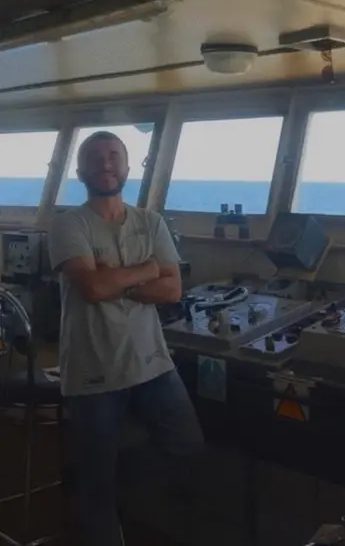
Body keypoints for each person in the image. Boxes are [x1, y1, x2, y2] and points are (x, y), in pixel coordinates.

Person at [48, 130, 204, 546]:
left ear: (128, 166)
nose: (106, 163)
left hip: (151, 363)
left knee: (185, 446)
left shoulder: (151, 222)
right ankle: (96, 497)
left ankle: (97, 485)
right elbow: (92, 288)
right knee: (98, 487)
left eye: (113, 155)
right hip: (93, 372)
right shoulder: (68, 224)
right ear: (80, 171)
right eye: (95, 157)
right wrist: (147, 270)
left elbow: (172, 290)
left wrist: (116, 280)